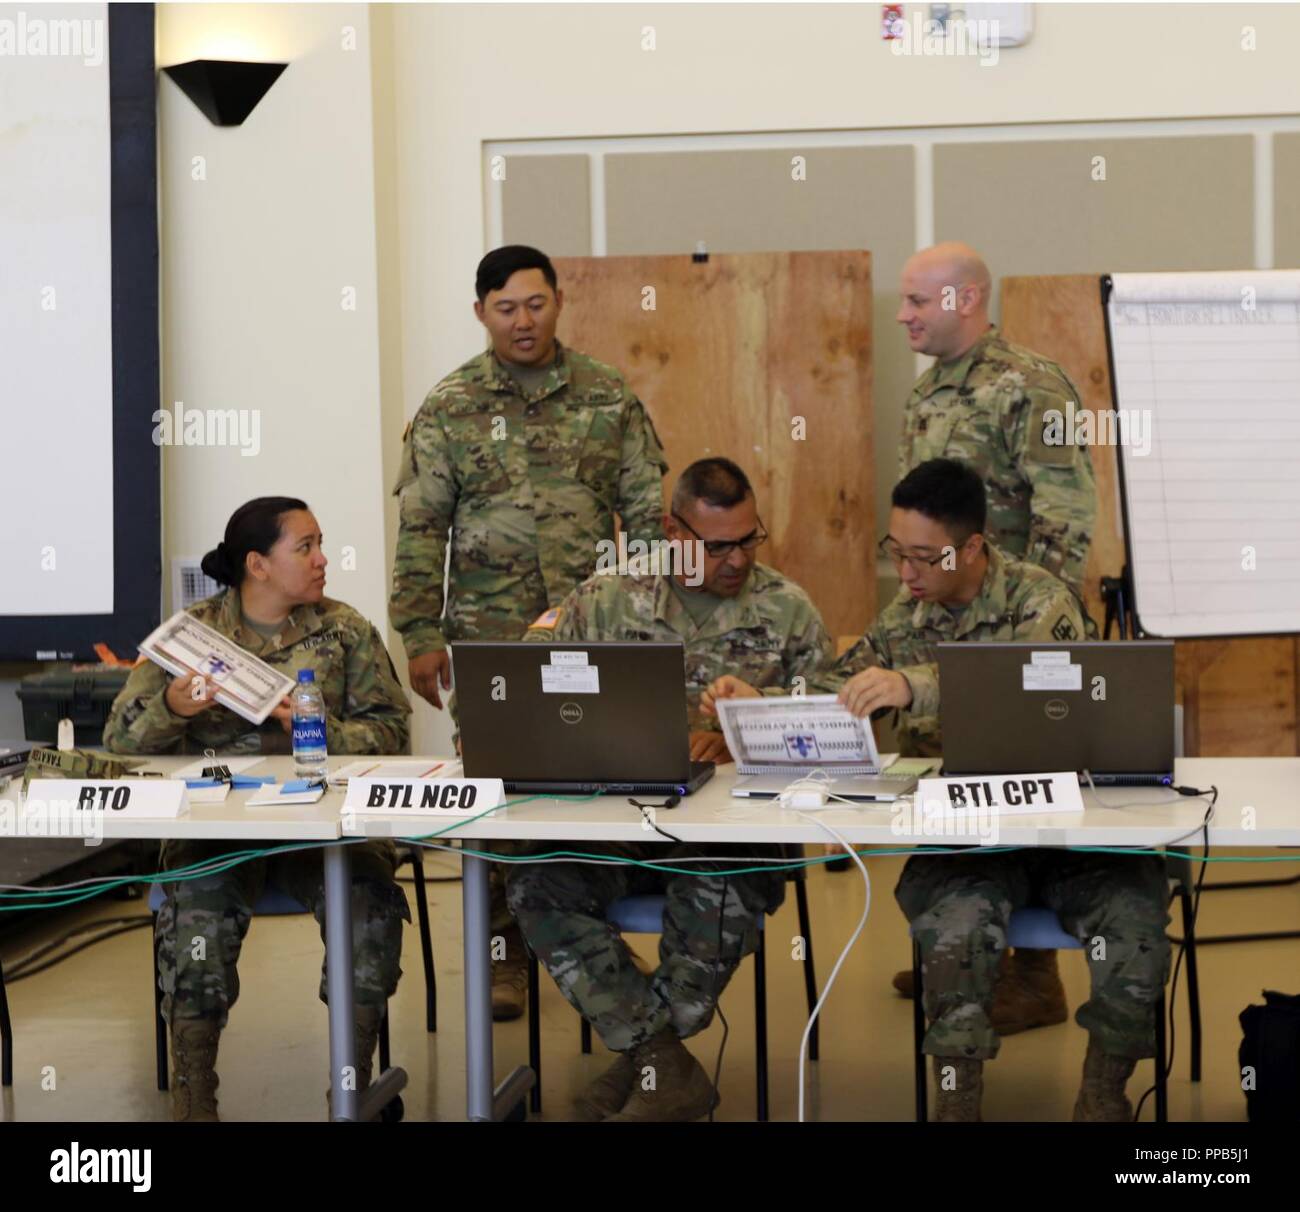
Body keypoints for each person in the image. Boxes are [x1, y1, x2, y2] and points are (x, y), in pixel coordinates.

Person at [707, 460, 1169, 1121]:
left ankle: (1103, 1096)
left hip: (1072, 834)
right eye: (898, 554)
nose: (910, 572)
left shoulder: (1041, 602)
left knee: (1136, 927)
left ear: (973, 547)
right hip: (970, 839)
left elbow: (1028, 692)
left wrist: (915, 684)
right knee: (955, 931)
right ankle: (957, 1106)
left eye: (925, 556)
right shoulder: (908, 617)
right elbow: (841, 688)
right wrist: (764, 700)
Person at [389, 244, 668, 1020]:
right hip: (490, 636)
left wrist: (650, 616)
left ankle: (589, 934)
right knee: (497, 791)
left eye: (536, 304)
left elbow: (646, 514)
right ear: (481, 312)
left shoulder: (608, 396)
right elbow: (421, 528)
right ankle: (504, 951)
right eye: (505, 307)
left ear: (558, 301)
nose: (523, 321)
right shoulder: (450, 407)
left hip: (593, 629)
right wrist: (417, 629)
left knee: (598, 773)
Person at [506, 458, 830, 1121]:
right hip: (615, 829)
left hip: (729, 841)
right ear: (670, 530)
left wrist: (748, 729)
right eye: (718, 546)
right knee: (535, 885)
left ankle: (645, 1065)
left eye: (749, 538)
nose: (737, 559)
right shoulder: (603, 601)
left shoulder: (788, 609)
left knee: (715, 892)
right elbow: (531, 699)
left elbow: (832, 734)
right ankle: (661, 1064)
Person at [104, 497, 412, 1121]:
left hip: (324, 828)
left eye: (321, 543)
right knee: (195, 921)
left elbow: (392, 733)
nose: (323, 559)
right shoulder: (192, 635)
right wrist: (175, 706)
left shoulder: (345, 629)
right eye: (305, 547)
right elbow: (120, 739)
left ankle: (350, 1090)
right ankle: (195, 1094)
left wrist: (313, 730)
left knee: (370, 908)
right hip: (220, 831)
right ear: (258, 564)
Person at [894, 241, 1100, 1023]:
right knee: (953, 781)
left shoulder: (1030, 385)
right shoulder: (929, 392)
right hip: (946, 622)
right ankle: (966, 951)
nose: (906, 315)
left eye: (918, 302)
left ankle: (1036, 976)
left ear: (966, 299)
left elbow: (1065, 516)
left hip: (1014, 624)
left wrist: (1032, 633)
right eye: (904, 302)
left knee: (1020, 783)